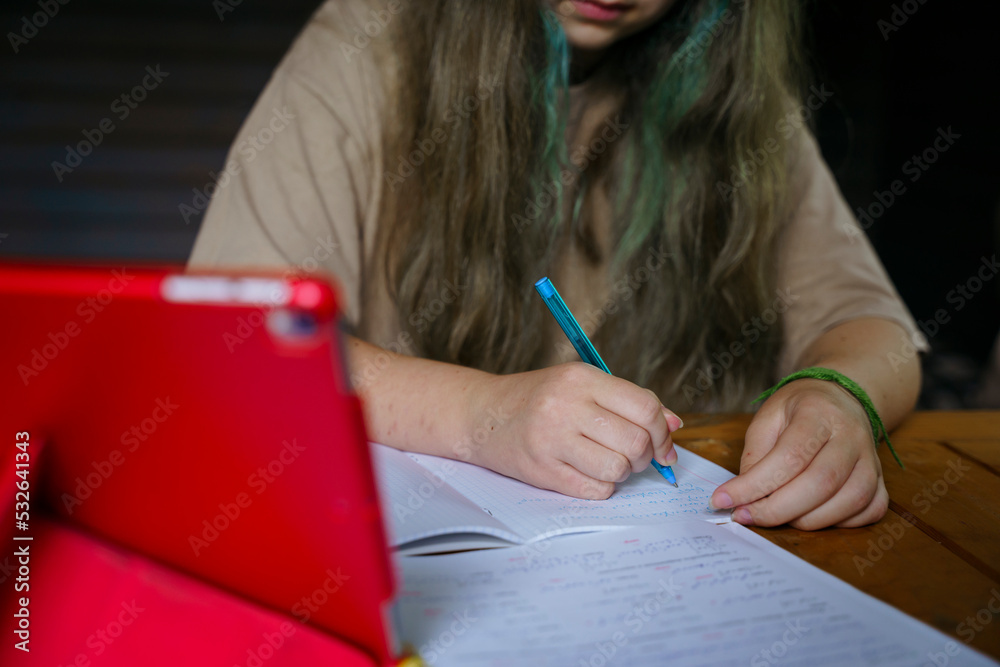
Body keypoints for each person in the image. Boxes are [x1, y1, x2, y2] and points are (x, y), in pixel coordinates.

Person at [188, 0, 928, 530]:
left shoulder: (734, 87)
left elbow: (875, 330)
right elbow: (234, 341)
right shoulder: (366, 38)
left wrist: (837, 395)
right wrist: (480, 417)